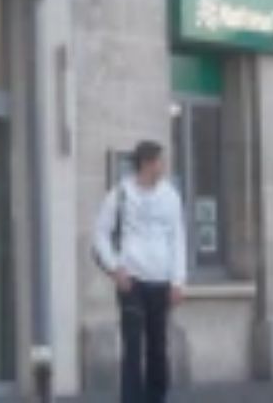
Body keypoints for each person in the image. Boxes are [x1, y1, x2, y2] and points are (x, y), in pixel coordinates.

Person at [92, 141, 186, 403]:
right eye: (159, 161)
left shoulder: (170, 197)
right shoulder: (120, 194)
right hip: (132, 282)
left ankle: (157, 397)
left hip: (161, 281)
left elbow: (177, 238)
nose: (163, 167)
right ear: (146, 164)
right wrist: (115, 268)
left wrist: (178, 281)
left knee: (158, 347)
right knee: (132, 347)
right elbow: (100, 233)